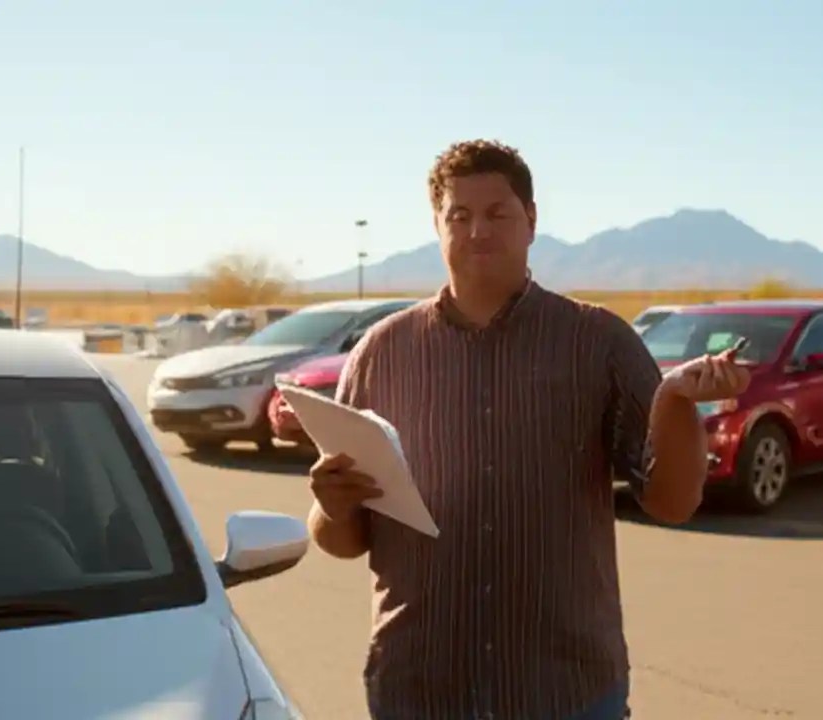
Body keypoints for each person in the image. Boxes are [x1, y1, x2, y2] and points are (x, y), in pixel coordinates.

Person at [307, 139, 750, 720]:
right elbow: (344, 538)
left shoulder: (597, 342)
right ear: (437, 225)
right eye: (458, 216)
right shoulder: (381, 353)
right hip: (417, 687)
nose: (477, 231)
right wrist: (331, 506)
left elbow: (672, 502)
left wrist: (675, 403)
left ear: (531, 220)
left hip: (565, 690)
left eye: (497, 213)